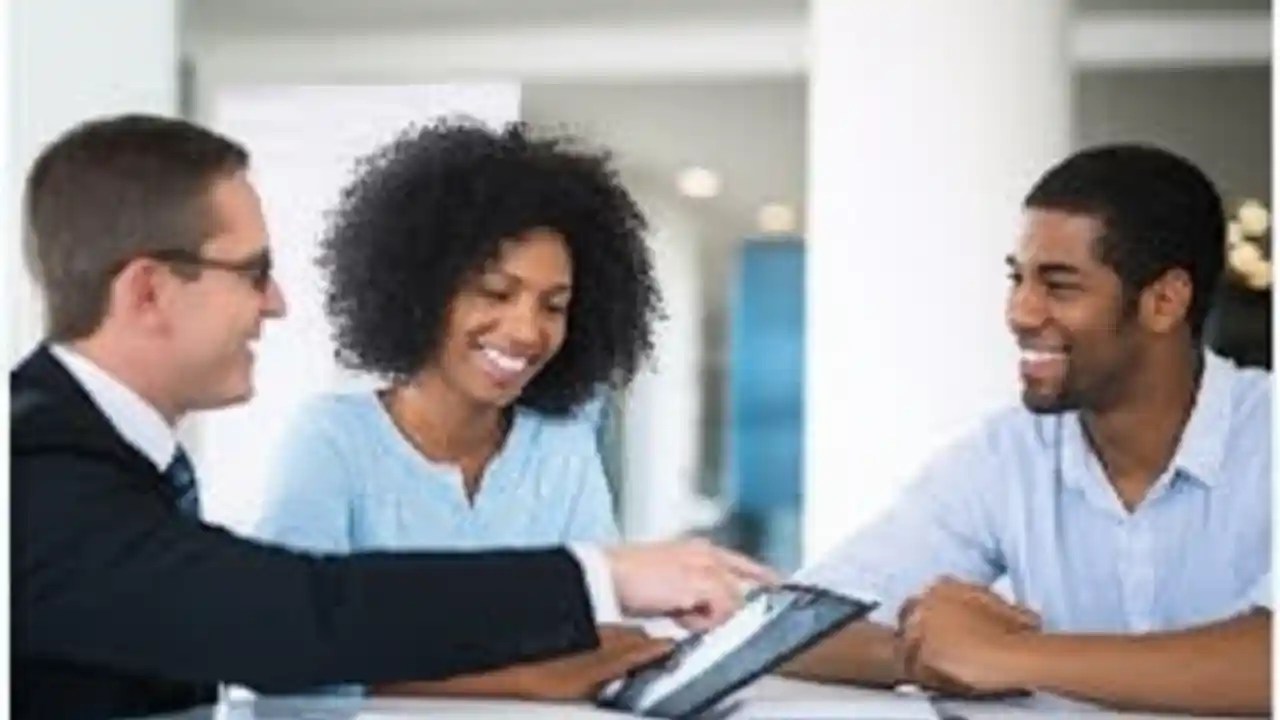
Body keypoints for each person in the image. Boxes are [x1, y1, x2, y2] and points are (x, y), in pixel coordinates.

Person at [11, 114, 774, 720]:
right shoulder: (37, 471)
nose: (276, 303)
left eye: (553, 304)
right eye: (253, 273)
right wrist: (599, 578)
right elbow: (295, 618)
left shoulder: (106, 454)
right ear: (147, 291)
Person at [785, 145, 1271, 715]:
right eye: (1018, 279)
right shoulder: (1006, 456)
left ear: (1164, 302)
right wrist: (926, 654)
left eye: (1059, 285)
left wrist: (1012, 657)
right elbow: (796, 624)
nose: (1019, 312)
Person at [251, 120, 660, 697]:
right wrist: (525, 679)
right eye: (494, 293)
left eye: (554, 305)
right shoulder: (332, 441)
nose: (526, 331)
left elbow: (602, 643)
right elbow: (285, 657)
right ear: (421, 292)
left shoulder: (562, 447)